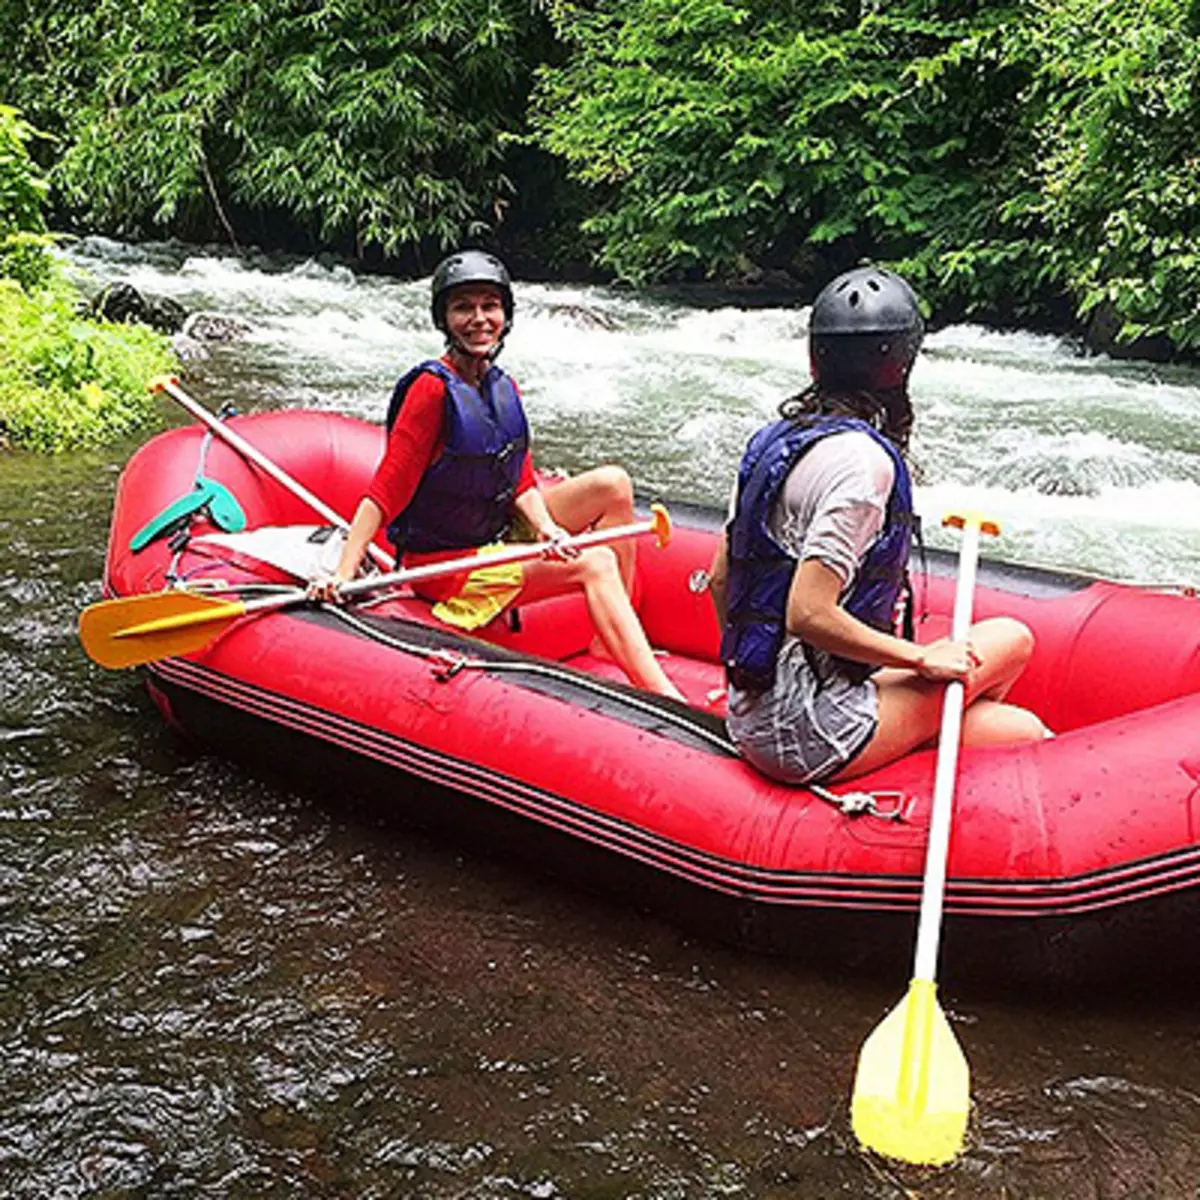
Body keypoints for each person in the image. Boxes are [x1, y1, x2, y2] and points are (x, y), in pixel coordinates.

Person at [708, 265, 1049, 784]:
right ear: (902, 366)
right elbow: (807, 613)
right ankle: (926, 756)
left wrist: (750, 681)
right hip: (810, 730)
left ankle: (922, 739)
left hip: (754, 711)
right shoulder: (863, 464)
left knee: (1014, 727)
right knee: (1013, 640)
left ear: (814, 358)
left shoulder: (771, 444)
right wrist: (918, 659)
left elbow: (719, 580)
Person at [312, 249, 684, 701]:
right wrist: (344, 572)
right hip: (446, 564)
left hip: (495, 534)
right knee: (597, 561)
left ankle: (610, 641)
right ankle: (663, 697)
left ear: (505, 315)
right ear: (444, 319)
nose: (479, 319)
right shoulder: (431, 391)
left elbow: (521, 481)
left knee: (614, 484)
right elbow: (385, 491)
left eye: (490, 306)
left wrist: (547, 530)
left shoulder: (502, 385)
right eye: (463, 307)